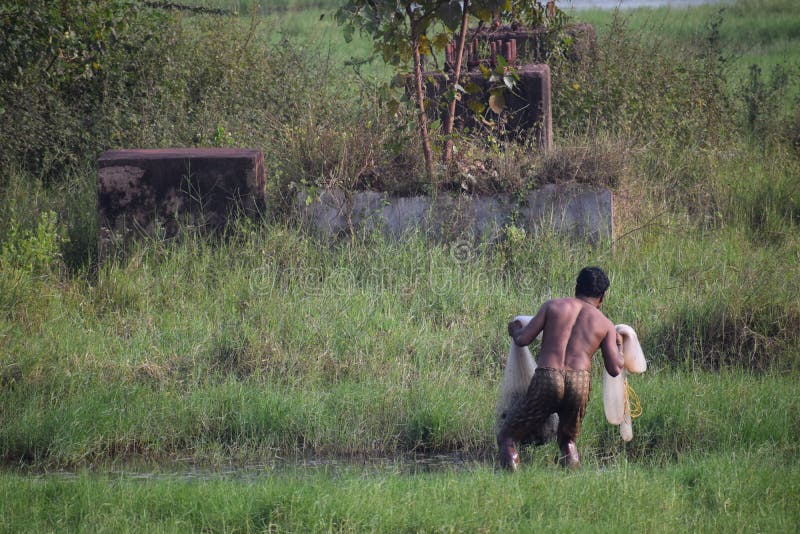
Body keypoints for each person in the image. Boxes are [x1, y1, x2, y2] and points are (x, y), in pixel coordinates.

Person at [497, 266, 624, 470]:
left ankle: (508, 482)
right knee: (567, 442)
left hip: (548, 377)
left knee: (508, 436)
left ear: (576, 287)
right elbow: (615, 368)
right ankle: (573, 485)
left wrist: (514, 330)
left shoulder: (553, 306)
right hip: (580, 382)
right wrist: (618, 343)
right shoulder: (606, 324)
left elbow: (522, 340)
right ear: (602, 297)